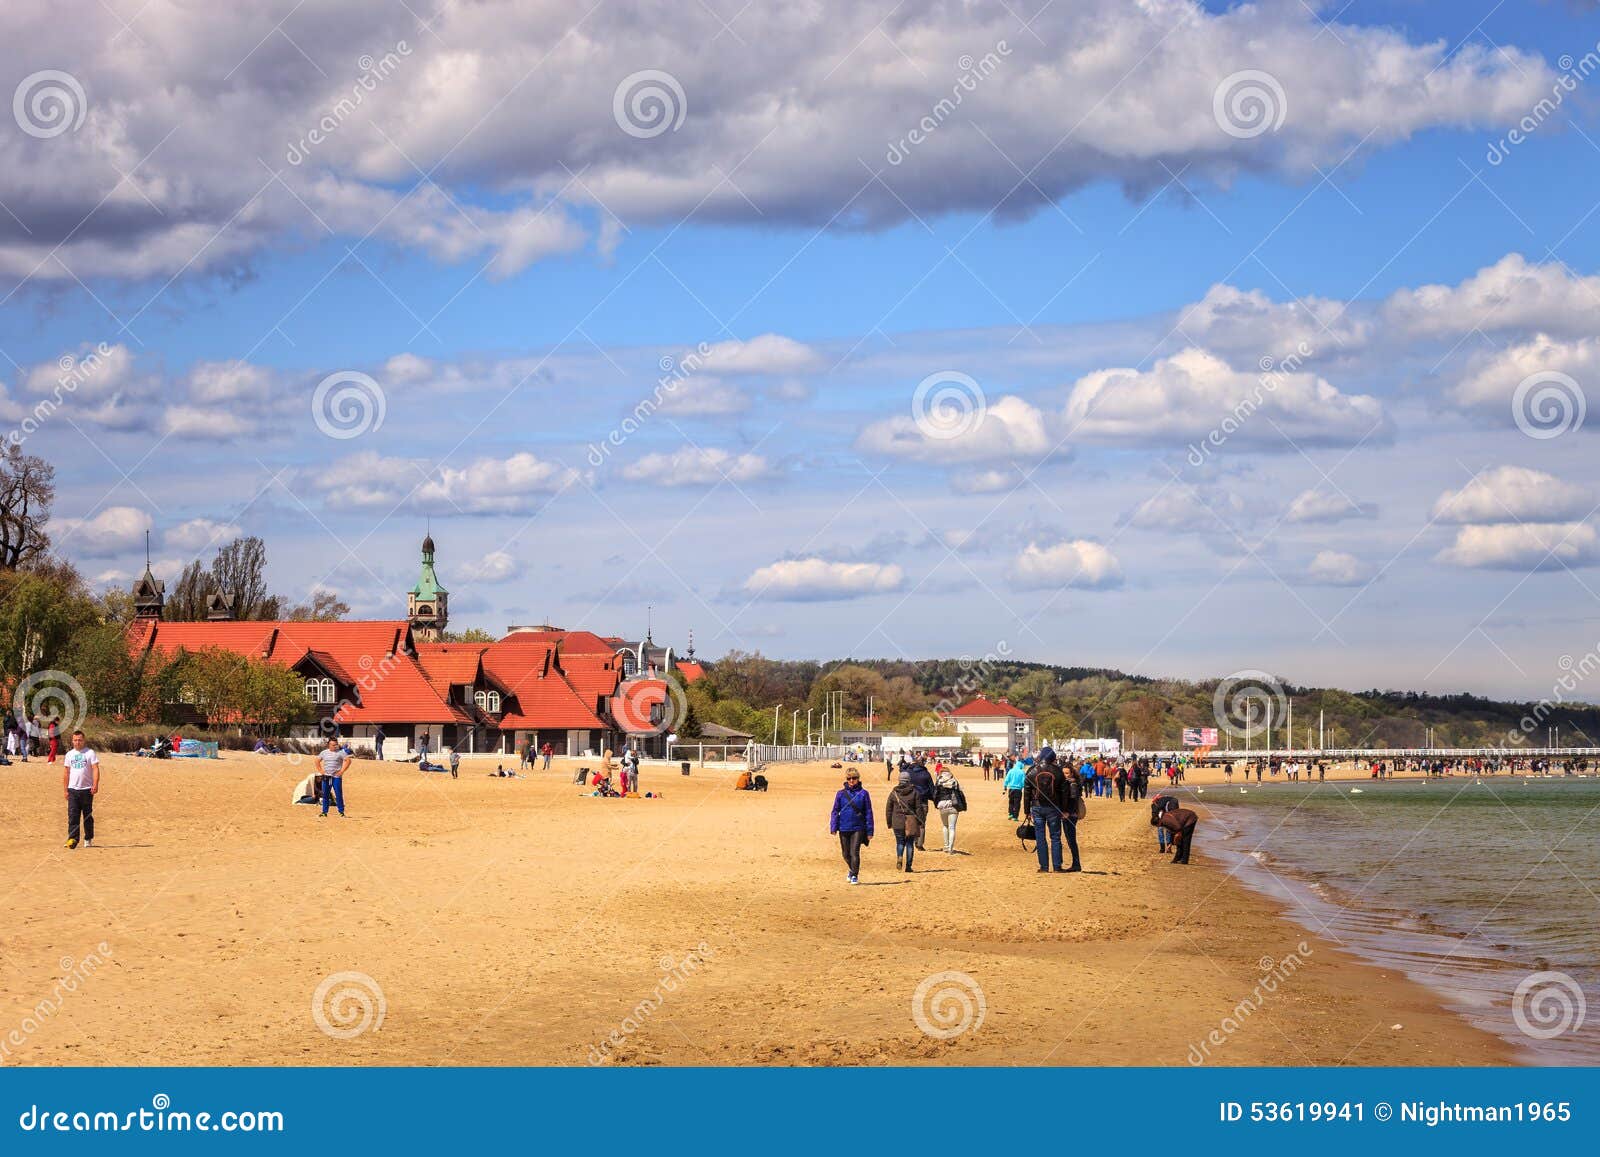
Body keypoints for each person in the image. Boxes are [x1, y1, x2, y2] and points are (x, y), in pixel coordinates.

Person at [1022, 752, 1071, 873]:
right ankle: (1057, 866)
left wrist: (1026, 811)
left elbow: (1027, 793)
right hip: (1054, 808)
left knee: (1040, 837)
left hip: (1037, 807)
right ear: (1053, 758)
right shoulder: (1058, 771)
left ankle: (1044, 867)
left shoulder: (1032, 771)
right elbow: (1065, 792)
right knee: (1055, 837)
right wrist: (1064, 809)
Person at [829, 769, 874, 885]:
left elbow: (868, 812)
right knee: (845, 854)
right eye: (849, 778)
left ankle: (854, 875)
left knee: (855, 852)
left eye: (854, 778)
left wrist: (870, 831)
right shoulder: (840, 794)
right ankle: (851, 869)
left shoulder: (864, 793)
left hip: (858, 828)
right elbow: (835, 810)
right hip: (844, 827)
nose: (851, 781)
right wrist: (833, 827)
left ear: (858, 779)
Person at [62, 729, 100, 850]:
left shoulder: (90, 753)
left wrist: (95, 784)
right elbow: (66, 773)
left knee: (87, 816)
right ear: (72, 741)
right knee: (73, 816)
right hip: (73, 790)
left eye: (80, 740)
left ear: (84, 741)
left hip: (87, 790)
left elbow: (95, 769)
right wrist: (65, 789)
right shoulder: (69, 755)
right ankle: (73, 839)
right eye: (75, 740)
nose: (77, 742)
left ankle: (88, 838)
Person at [885, 770, 923, 873]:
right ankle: (908, 867)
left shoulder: (894, 793)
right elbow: (919, 808)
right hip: (911, 821)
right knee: (910, 844)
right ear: (909, 780)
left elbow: (888, 809)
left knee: (900, 842)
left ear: (899, 780)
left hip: (897, 822)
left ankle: (900, 857)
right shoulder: (915, 792)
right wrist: (920, 822)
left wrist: (889, 822)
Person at [932, 767, 965, 853]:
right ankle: (950, 848)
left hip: (942, 805)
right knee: (952, 827)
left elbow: (935, 794)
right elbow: (960, 793)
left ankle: (946, 846)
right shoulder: (954, 780)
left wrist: (936, 804)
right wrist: (963, 806)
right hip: (953, 805)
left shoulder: (939, 781)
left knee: (945, 826)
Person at [906, 759, 935, 850]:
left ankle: (912, 840)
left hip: (910, 800)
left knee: (911, 821)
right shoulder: (926, 773)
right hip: (923, 801)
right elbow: (931, 788)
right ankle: (919, 844)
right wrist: (933, 799)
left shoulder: (908, 772)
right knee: (921, 823)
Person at [318, 738, 351, 818]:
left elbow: (348, 761)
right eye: (333, 745)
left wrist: (342, 771)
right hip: (326, 776)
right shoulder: (324, 753)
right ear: (329, 745)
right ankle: (324, 812)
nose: (335, 746)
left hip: (336, 777)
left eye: (336, 744)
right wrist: (321, 771)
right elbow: (316, 761)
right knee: (325, 794)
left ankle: (341, 812)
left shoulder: (341, 752)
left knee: (338, 794)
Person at [1002, 755, 1027, 821]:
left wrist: (1005, 787)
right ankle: (1015, 817)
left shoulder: (1011, 771)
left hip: (1011, 789)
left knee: (1011, 802)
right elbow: (1024, 781)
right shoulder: (1022, 772)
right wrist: (1023, 787)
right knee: (1017, 803)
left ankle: (1010, 813)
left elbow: (1006, 780)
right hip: (1018, 790)